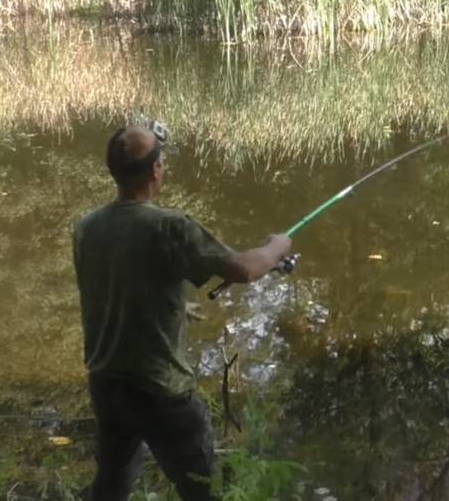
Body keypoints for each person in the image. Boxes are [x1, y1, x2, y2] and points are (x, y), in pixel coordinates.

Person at [73, 124, 291, 501]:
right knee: (203, 488)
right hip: (161, 391)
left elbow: (115, 286)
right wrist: (277, 247)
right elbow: (243, 268)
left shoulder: (86, 227)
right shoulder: (169, 227)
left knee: (111, 485)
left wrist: (176, 305)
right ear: (156, 170)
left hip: (106, 382)